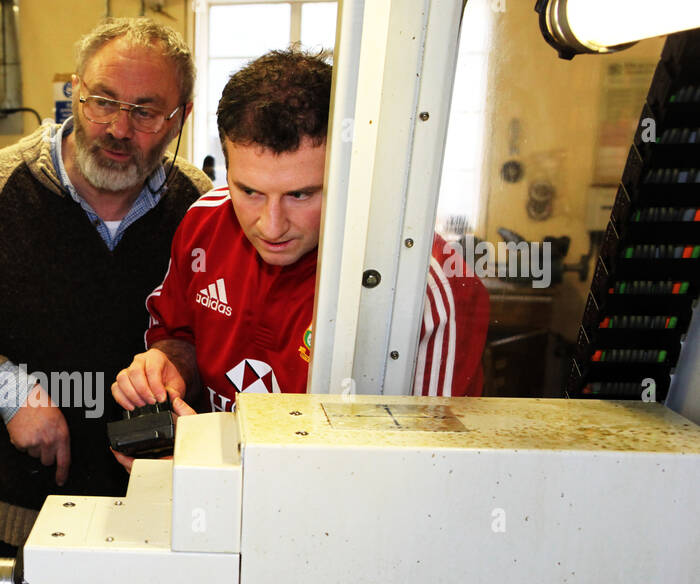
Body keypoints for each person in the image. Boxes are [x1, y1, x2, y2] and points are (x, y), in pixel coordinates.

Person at [0, 18, 212, 555]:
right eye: (102, 100)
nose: (119, 129)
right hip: (2, 514)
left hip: (150, 513)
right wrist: (9, 394)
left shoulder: (202, 205)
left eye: (145, 111)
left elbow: (213, 332)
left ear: (180, 117)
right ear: (75, 92)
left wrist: (177, 359)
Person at [113, 49, 489, 420]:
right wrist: (170, 367)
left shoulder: (421, 283)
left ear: (347, 174)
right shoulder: (205, 223)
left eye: (300, 194)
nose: (271, 225)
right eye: (249, 191)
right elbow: (181, 334)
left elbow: (431, 460)